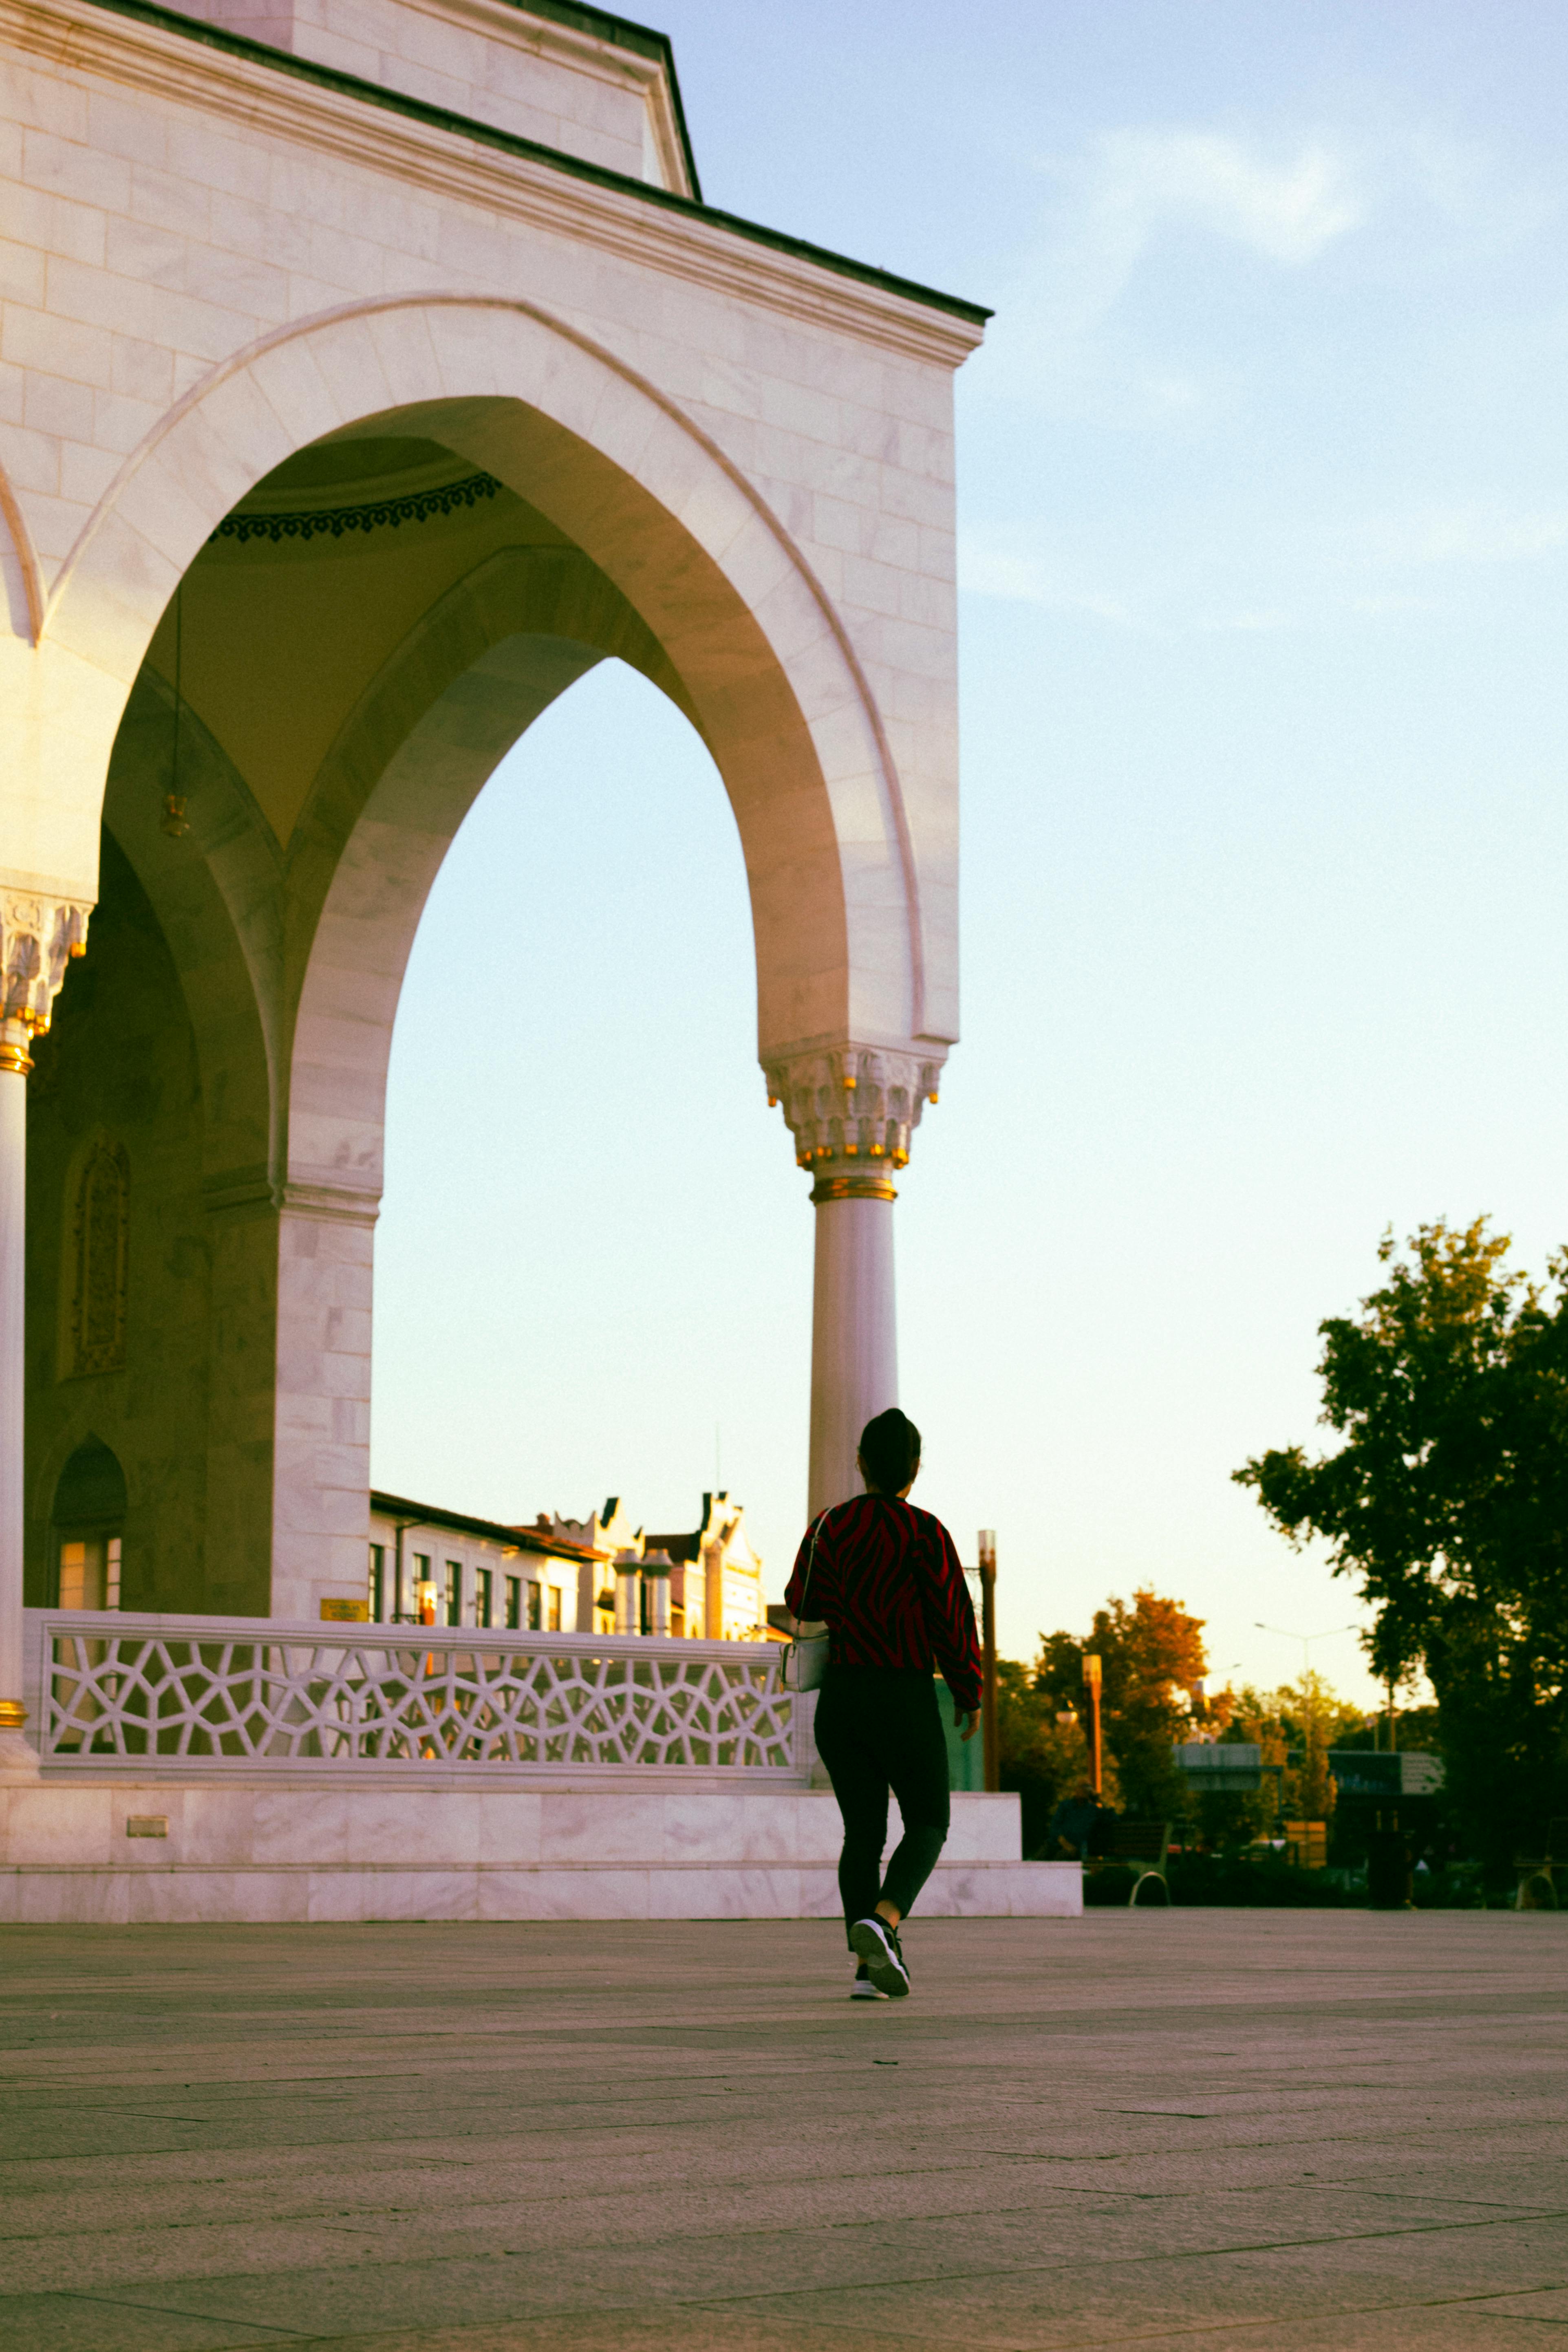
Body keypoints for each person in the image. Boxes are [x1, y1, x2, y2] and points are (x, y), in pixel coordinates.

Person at [783, 1406, 982, 2001]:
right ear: (915, 1469)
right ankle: (887, 1920)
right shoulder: (926, 1532)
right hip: (902, 1694)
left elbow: (801, 1599)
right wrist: (968, 1690)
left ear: (861, 1463)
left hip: (843, 1698)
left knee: (862, 1834)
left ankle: (871, 1969)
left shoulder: (828, 1526)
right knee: (928, 1821)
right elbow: (953, 1618)